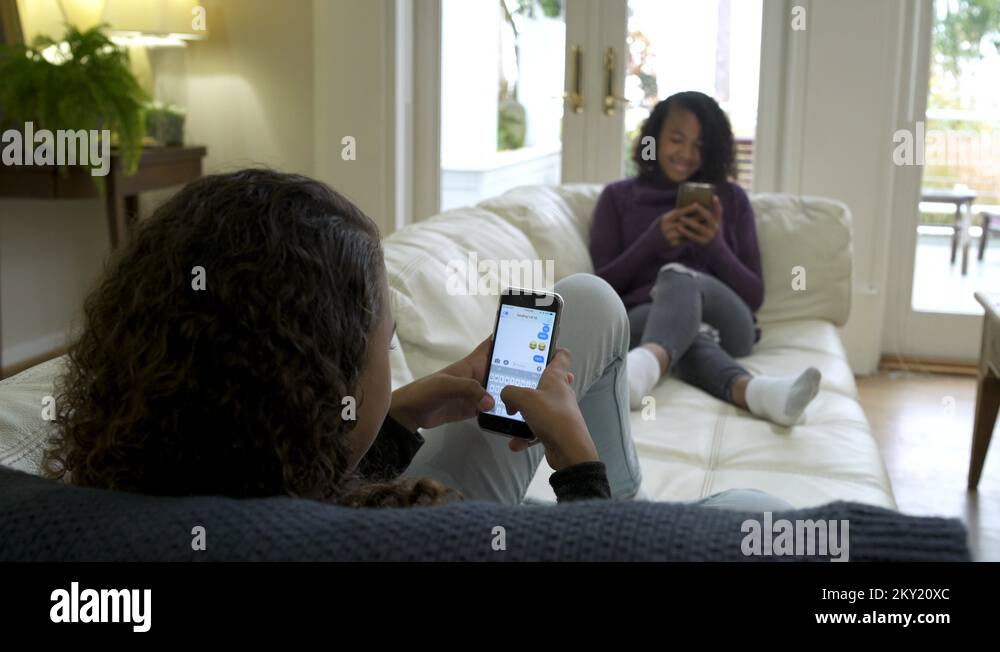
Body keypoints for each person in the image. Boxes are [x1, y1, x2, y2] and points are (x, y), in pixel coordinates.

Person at [44, 168, 790, 513]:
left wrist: (396, 415)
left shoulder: (141, 473)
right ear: (316, 388)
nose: (393, 348)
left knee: (588, 300)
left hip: (348, 484)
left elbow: (301, 489)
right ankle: (630, 505)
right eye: (386, 339)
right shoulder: (408, 537)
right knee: (753, 509)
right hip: (523, 518)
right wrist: (579, 468)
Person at [590, 91, 821, 426]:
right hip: (645, 320)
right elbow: (601, 289)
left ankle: (643, 368)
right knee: (687, 334)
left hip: (730, 325)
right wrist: (652, 240)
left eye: (699, 145)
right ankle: (760, 393)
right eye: (676, 140)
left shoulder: (731, 199)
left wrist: (715, 244)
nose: (686, 154)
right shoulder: (618, 198)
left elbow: (754, 296)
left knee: (677, 274)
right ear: (655, 138)